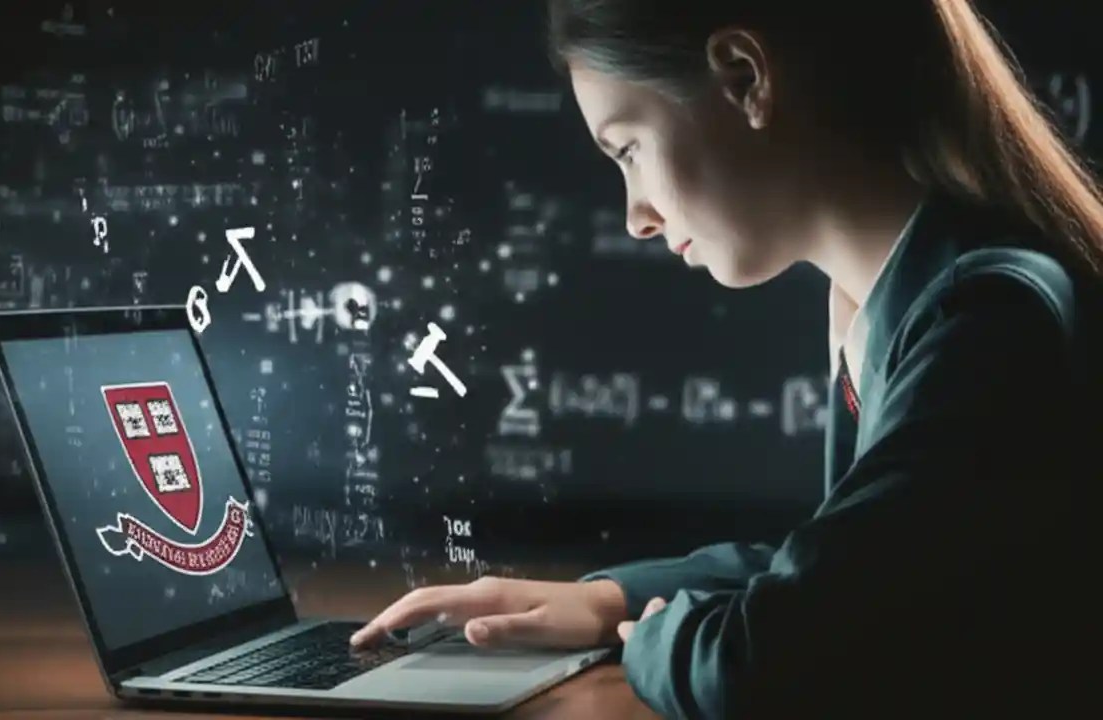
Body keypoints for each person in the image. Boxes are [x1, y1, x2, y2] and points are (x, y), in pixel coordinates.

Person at [351, 0, 1103, 716]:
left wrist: (646, 635)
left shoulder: (986, 318)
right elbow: (855, 565)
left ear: (744, 76)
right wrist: (606, 598)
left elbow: (760, 664)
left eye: (631, 150)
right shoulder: (892, 299)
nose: (634, 215)